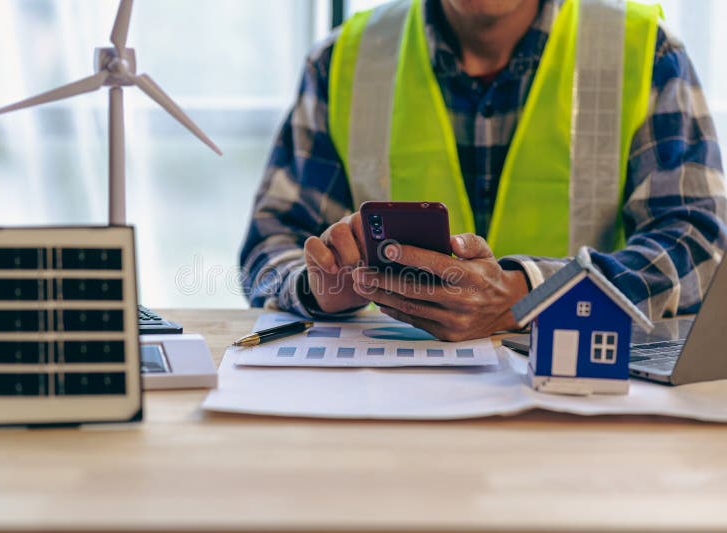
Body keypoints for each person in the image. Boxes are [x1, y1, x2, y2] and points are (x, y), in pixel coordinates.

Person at [239, 0, 727, 341]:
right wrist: (319, 286)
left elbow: (699, 246)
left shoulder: (645, 51)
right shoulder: (341, 60)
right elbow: (267, 247)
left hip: (577, 398)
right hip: (395, 403)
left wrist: (526, 294)